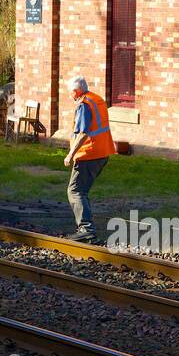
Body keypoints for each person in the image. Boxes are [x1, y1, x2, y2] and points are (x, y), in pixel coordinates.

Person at [62, 76, 116, 242]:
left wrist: (71, 154)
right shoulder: (97, 99)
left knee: (75, 191)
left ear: (76, 91)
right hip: (103, 152)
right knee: (82, 191)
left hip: (89, 154)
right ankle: (86, 228)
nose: (69, 94)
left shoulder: (84, 104)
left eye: (70, 91)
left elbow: (83, 132)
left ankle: (86, 229)